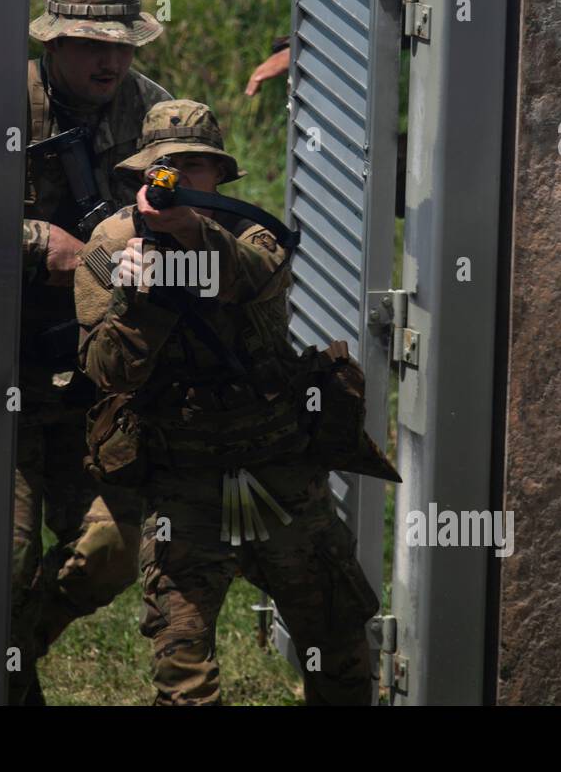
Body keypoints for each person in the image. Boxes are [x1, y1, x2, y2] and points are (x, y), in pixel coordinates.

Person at [74, 99, 380, 705]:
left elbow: (251, 278)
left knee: (337, 641)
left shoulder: (250, 231)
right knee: (183, 669)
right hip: (184, 480)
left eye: (194, 166)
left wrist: (191, 234)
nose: (178, 180)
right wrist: (140, 299)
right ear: (142, 176)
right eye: (165, 168)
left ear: (219, 175)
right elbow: (106, 370)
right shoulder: (111, 243)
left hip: (278, 472)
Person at [12, 0, 171, 704]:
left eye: (121, 45)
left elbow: (196, 223)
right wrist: (40, 245)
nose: (109, 60)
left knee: (110, 552)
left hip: (97, 378)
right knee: (4, 561)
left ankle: (14, 650)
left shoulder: (151, 113)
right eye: (87, 44)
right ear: (52, 42)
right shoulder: (4, 105)